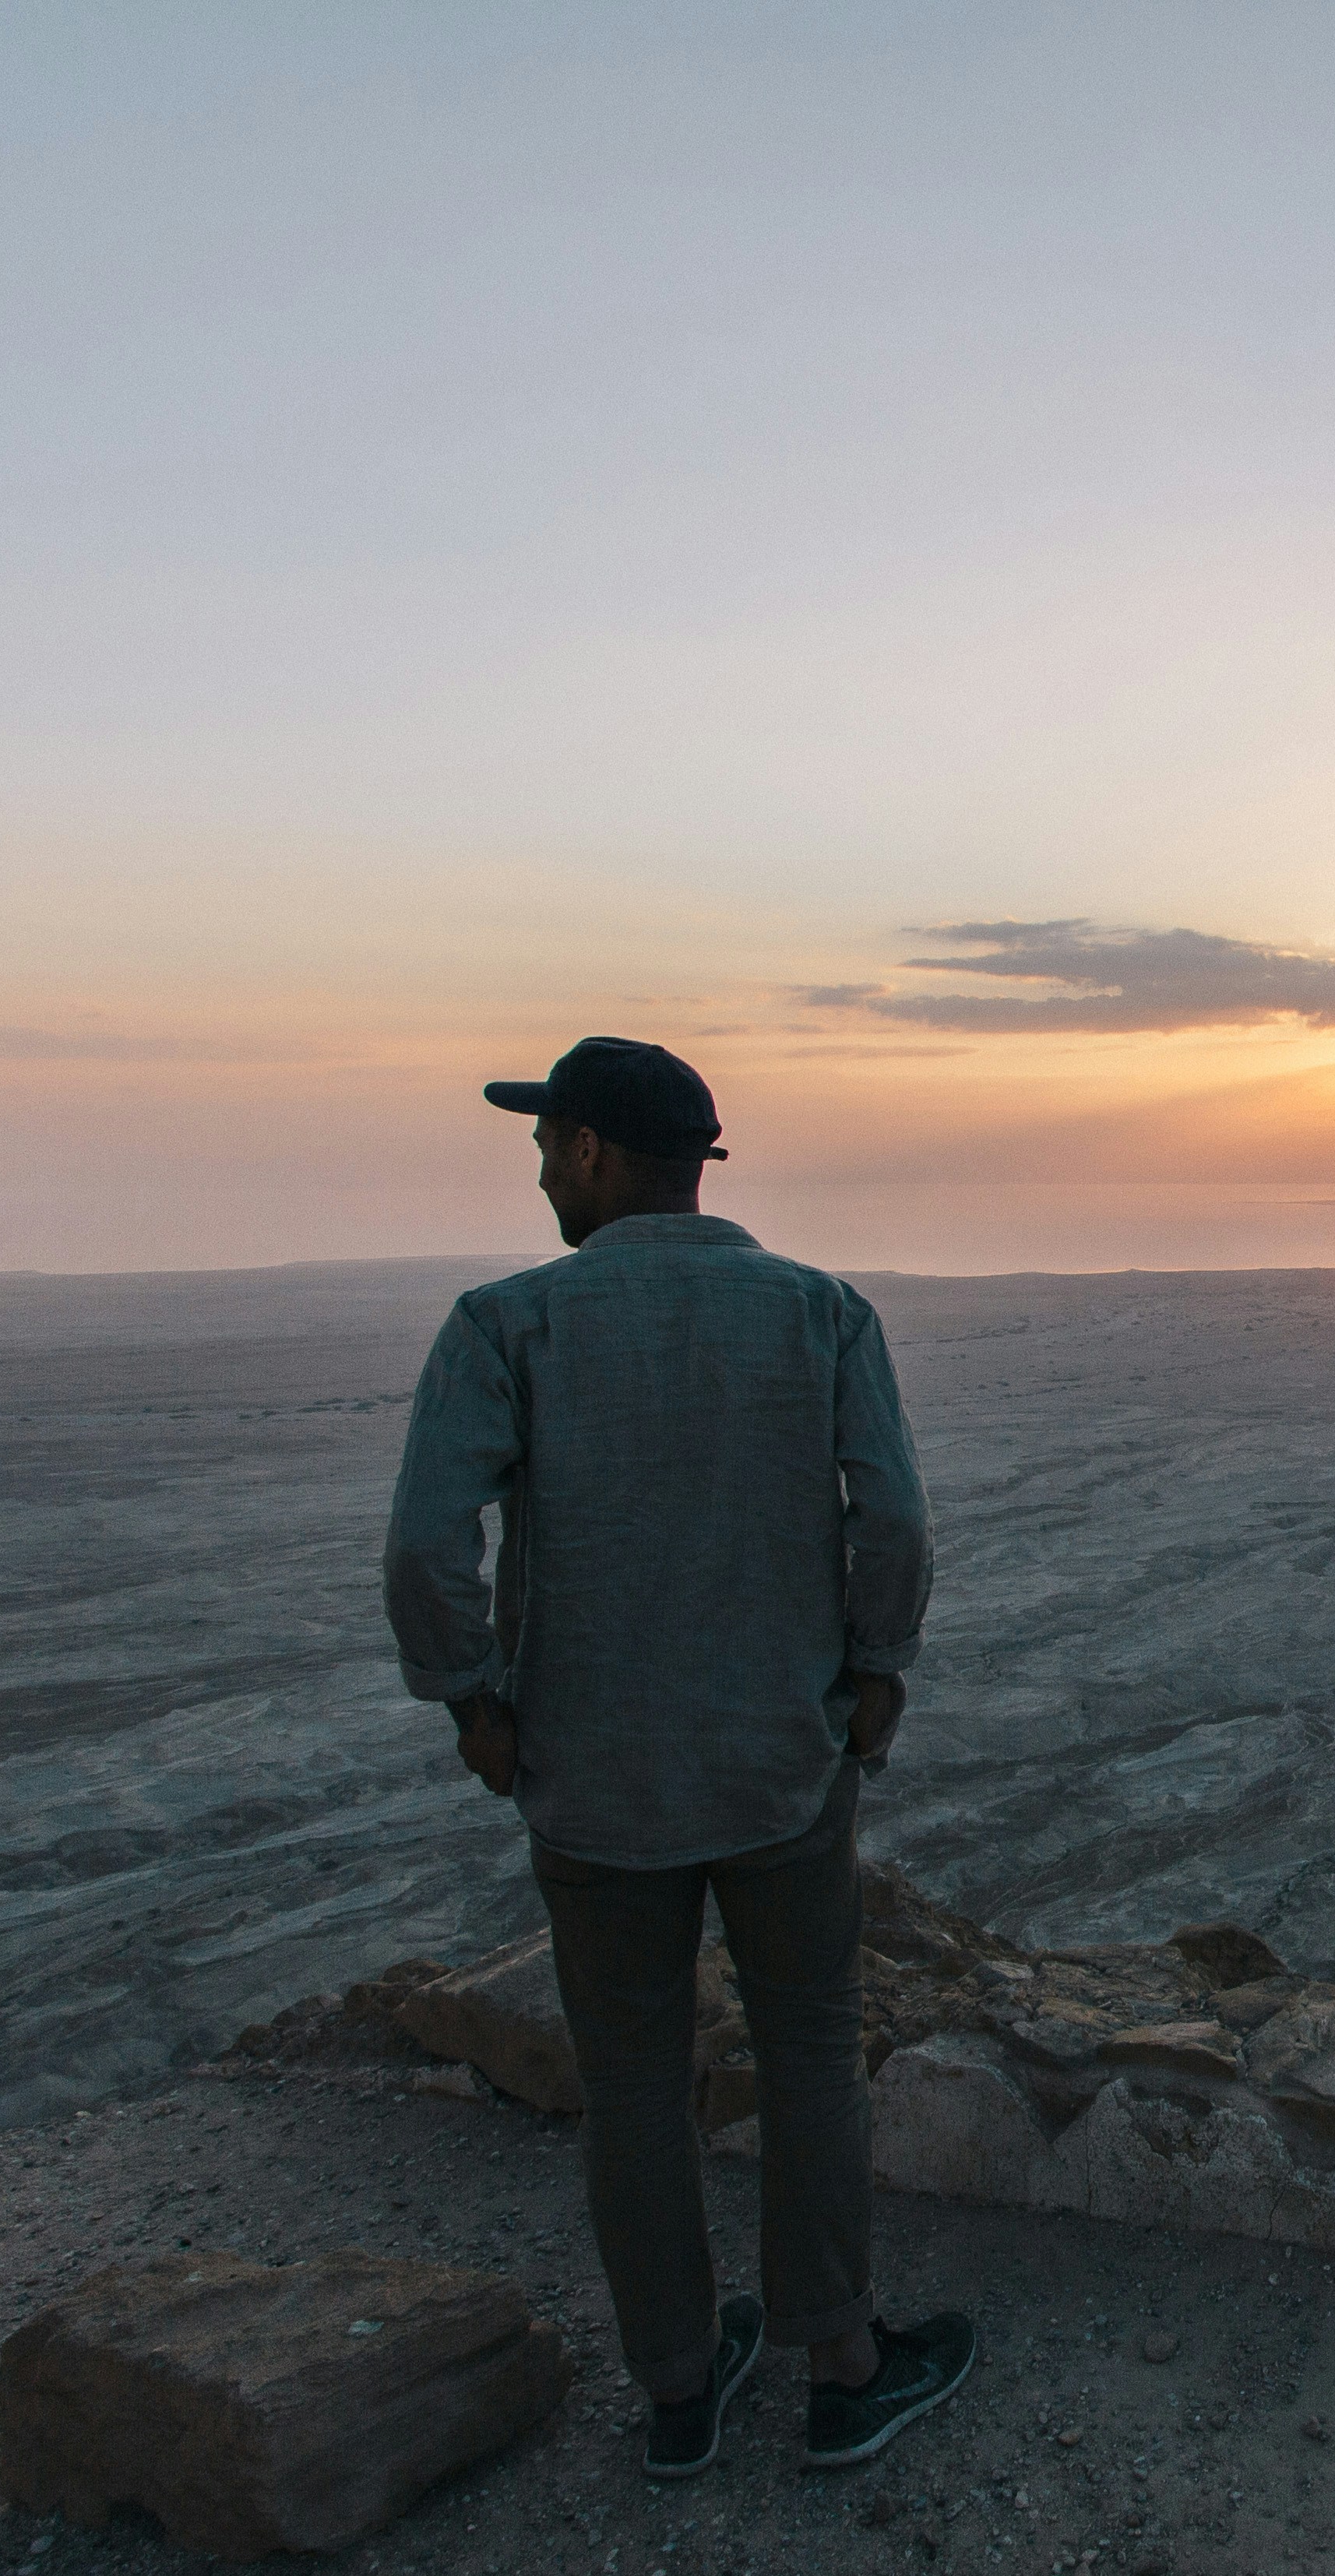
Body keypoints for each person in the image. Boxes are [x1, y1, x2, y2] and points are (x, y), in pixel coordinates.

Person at [381, 1034, 974, 2478]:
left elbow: (422, 1543)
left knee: (634, 2081)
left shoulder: (504, 1324)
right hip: (781, 1761)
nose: (534, 1170)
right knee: (811, 2052)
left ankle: (673, 2390)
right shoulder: (820, 1314)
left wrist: (475, 1702)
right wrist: (874, 1672)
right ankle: (841, 2364)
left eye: (545, 1144)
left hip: (593, 1782)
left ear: (589, 1152)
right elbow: (890, 1520)